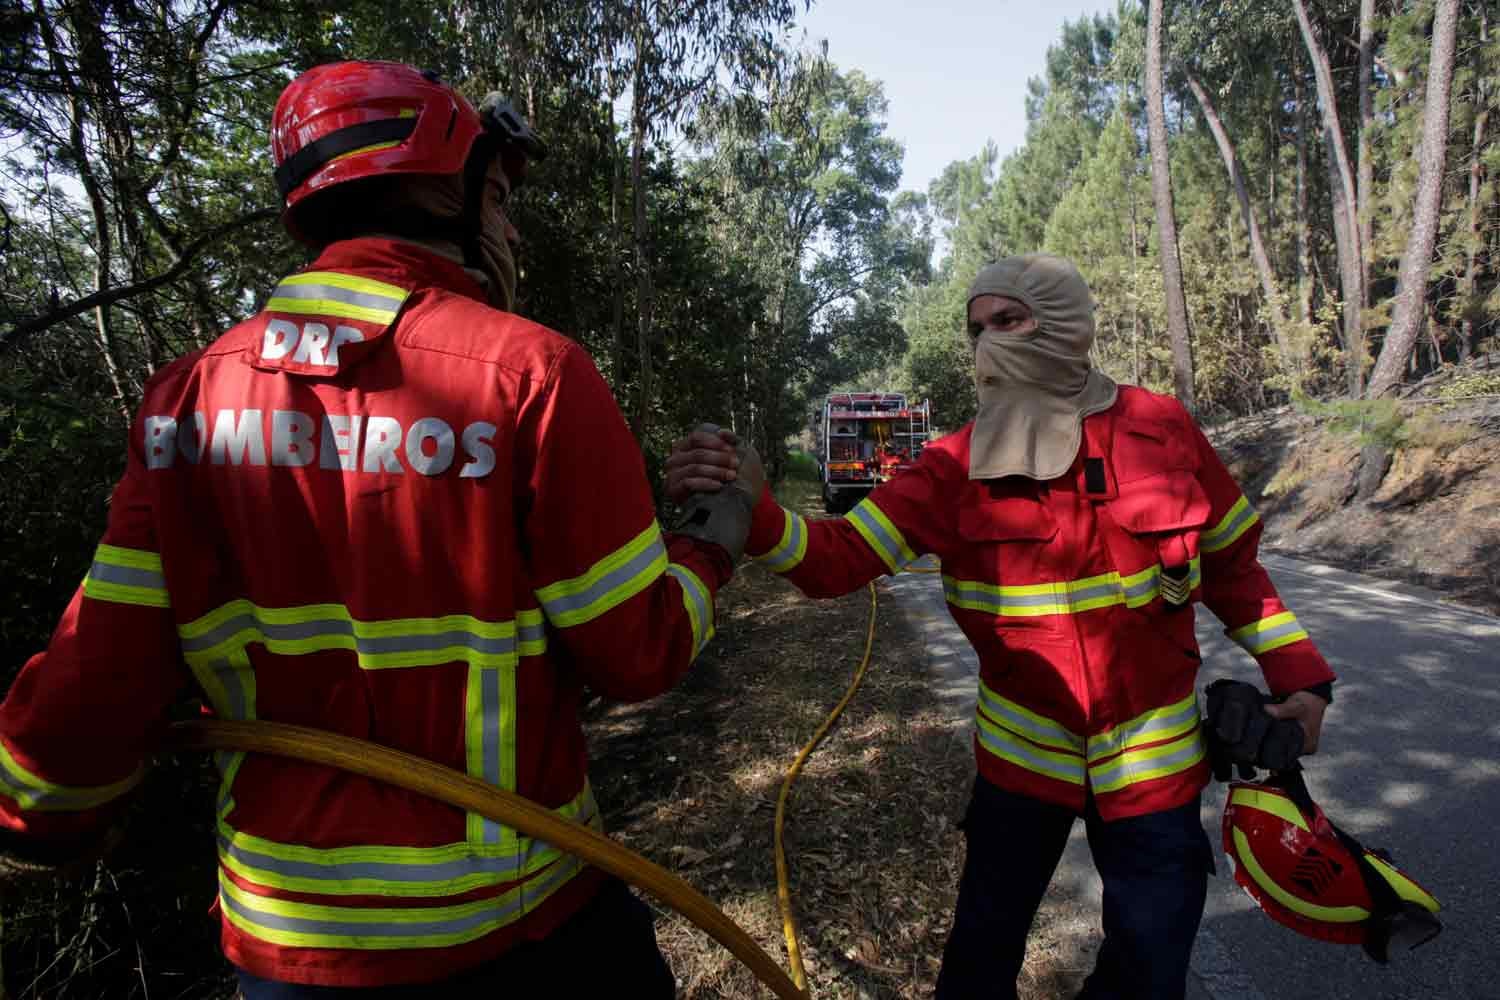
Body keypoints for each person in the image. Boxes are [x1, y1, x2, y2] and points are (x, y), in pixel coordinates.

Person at [0, 60, 761, 996]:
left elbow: (97, 667)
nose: (512, 228)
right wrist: (712, 540)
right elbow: (638, 654)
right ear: (455, 190)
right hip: (517, 923)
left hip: (290, 944)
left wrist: (45, 820)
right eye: (502, 198)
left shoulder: (191, 398)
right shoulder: (532, 377)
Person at [666, 254, 1337, 1000]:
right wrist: (753, 511)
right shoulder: (954, 466)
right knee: (980, 962)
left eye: (1008, 322)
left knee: (1150, 970)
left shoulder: (1163, 428)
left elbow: (1235, 569)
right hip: (1022, 771)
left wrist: (1301, 676)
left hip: (1155, 767)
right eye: (977, 330)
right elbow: (837, 558)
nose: (989, 345)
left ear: (1065, 320)